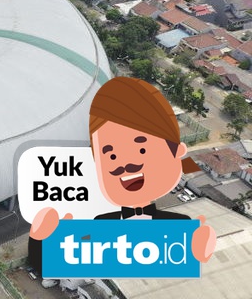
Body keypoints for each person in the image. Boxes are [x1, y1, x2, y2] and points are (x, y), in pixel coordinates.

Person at [29, 77, 216, 275]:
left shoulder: (179, 227)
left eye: (141, 150)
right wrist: (41, 240)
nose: (125, 165)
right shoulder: (102, 223)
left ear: (177, 151)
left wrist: (199, 249)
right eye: (111, 155)